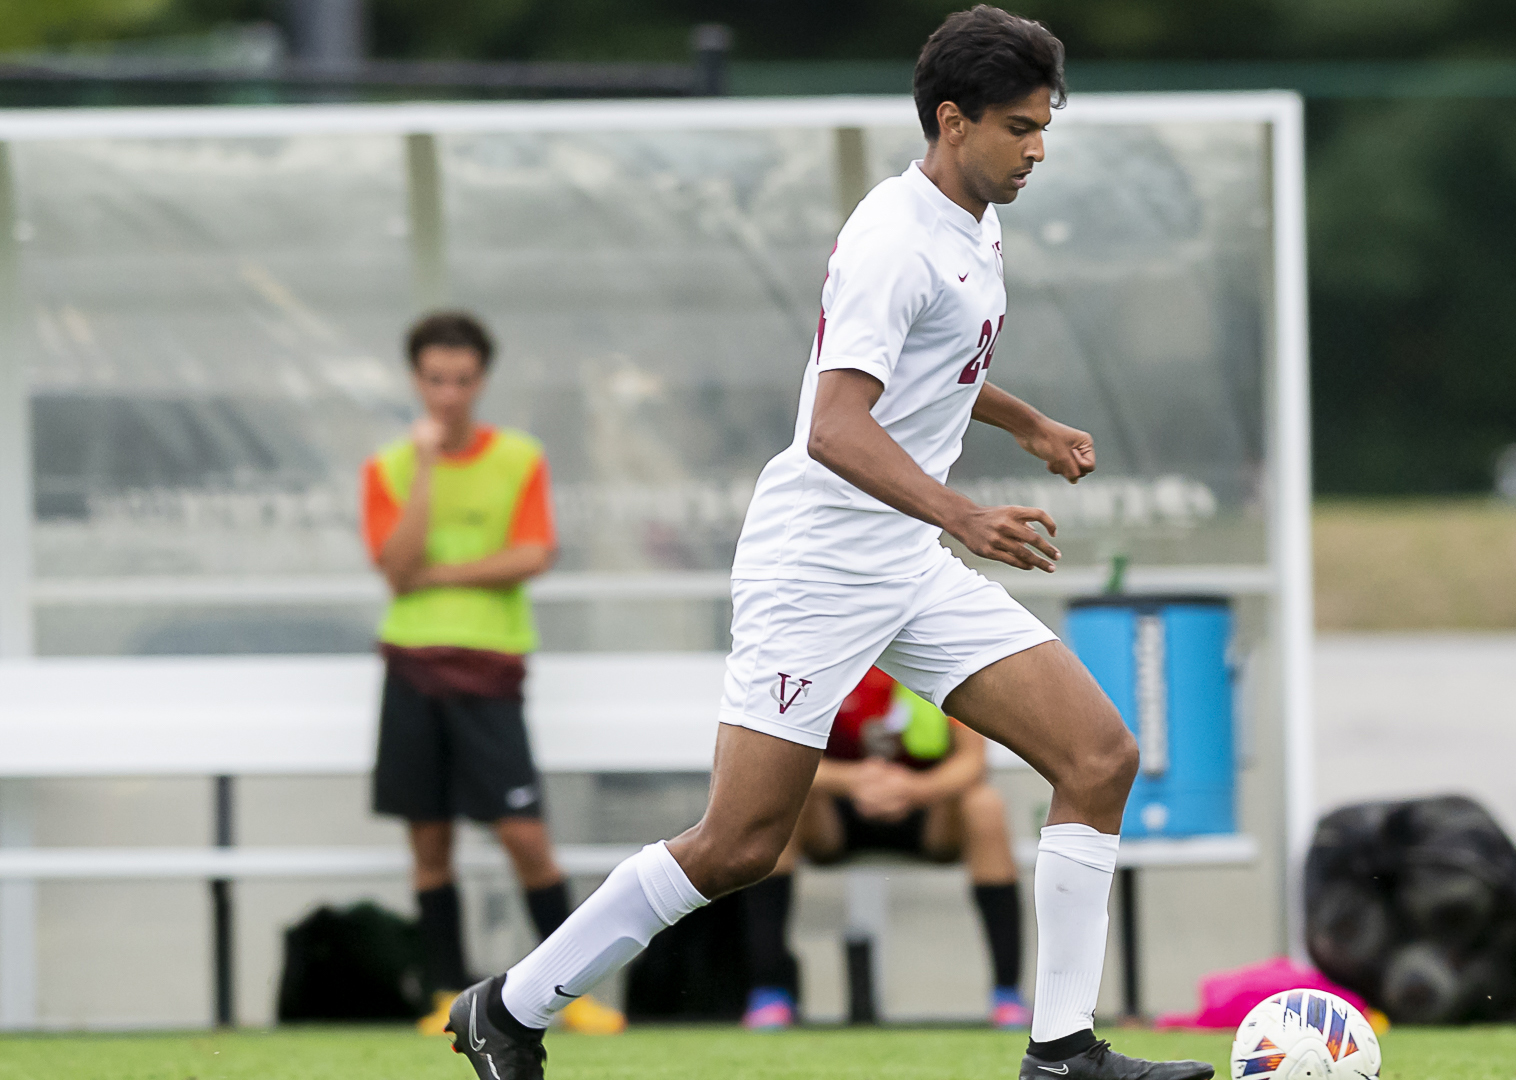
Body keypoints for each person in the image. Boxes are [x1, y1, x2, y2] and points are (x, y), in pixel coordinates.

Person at [446, 9, 1211, 1079]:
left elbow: (931, 365)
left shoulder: (972, 221)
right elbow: (836, 424)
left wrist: (1024, 422)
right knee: (739, 845)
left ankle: (1062, 1052)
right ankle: (513, 1005)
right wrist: (964, 513)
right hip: (818, 567)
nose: (1039, 148)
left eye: (1046, 127)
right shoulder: (893, 242)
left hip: (904, 559)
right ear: (953, 122)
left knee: (1099, 758)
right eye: (1020, 128)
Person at [364, 311, 625, 1037]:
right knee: (429, 840)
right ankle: (445, 992)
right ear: (416, 380)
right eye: (435, 379)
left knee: (522, 834)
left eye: (463, 380)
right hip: (411, 667)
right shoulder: (388, 465)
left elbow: (532, 554)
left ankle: (566, 993)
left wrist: (440, 573)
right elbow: (394, 569)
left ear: (482, 380)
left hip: (489, 669)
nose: (448, 394)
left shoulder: (519, 457)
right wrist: (423, 467)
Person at [737, 667, 1030, 1031]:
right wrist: (852, 780)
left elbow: (973, 761)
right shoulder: (819, 659)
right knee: (778, 798)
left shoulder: (941, 655)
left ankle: (1007, 994)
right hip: (835, 817)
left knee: (985, 806)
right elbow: (779, 756)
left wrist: (913, 789)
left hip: (928, 809)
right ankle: (770, 992)